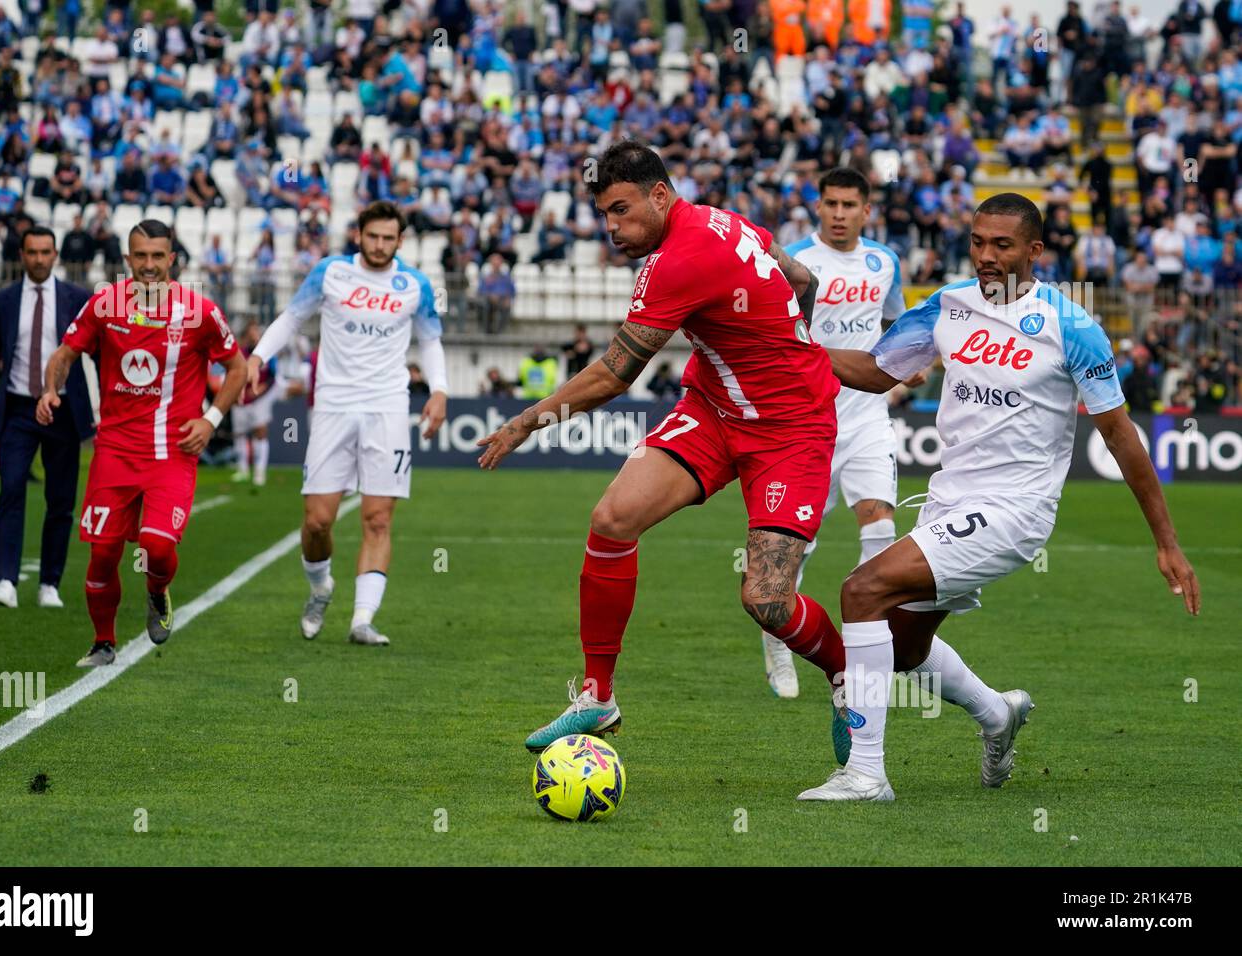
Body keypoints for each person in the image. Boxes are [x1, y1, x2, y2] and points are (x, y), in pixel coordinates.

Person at [799, 193, 1200, 802]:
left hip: (1015, 512)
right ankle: (997, 713)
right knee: (903, 651)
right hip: (948, 501)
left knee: (862, 590)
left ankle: (867, 774)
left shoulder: (1074, 326)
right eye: (979, 242)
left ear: (1034, 251)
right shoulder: (948, 305)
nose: (986, 256)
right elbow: (878, 372)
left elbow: (1121, 436)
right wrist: (793, 351)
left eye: (1002, 245)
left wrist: (1167, 544)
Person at [476, 140, 848, 757]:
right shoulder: (724, 219)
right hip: (715, 411)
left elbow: (615, 374)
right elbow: (800, 279)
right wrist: (786, 336)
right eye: (603, 215)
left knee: (767, 599)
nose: (612, 228)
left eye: (621, 211)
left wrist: (523, 424)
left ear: (659, 195)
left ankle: (845, 678)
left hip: (791, 428)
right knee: (612, 519)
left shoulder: (678, 257)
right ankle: (598, 696)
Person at [761, 167, 978, 720]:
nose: (838, 213)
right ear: (818, 206)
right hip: (806, 419)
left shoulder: (884, 262)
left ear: (866, 210)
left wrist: (908, 368)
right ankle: (779, 642)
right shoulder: (795, 262)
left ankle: (868, 648)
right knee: (795, 548)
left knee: (880, 525)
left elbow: (895, 324)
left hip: (866, 418)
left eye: (849, 204)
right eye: (830, 202)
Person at [36, 220, 247, 666]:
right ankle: (103, 641)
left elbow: (238, 368)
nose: (148, 265)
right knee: (104, 552)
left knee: (158, 546)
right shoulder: (105, 305)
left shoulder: (199, 312)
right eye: (140, 256)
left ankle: (156, 591)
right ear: (127, 259)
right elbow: (64, 354)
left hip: (173, 451)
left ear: (172, 259)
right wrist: (51, 389)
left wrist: (211, 419)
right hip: (114, 450)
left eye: (157, 256)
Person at [246, 201, 449, 647]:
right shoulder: (330, 272)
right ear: (358, 235)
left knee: (378, 519)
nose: (379, 245)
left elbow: (431, 340)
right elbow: (292, 318)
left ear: (400, 240)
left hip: (388, 408)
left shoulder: (414, 284)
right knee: (318, 520)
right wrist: (258, 357)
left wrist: (439, 389)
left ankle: (362, 619)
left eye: (388, 238)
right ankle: (320, 588)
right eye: (372, 236)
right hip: (334, 406)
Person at [0, 227, 93, 609]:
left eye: (45, 252)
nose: (39, 259)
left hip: (64, 410)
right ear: (21, 255)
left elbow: (99, 354)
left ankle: (49, 584)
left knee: (60, 500)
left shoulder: (77, 298)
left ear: (56, 255)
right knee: (11, 491)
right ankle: (4, 581)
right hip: (18, 409)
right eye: (32, 252)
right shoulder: (3, 300)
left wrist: (110, 410)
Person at [231, 320, 276, 487]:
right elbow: (232, 372)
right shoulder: (240, 353)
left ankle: (259, 471)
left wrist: (260, 390)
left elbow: (272, 377)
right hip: (241, 399)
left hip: (259, 400)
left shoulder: (266, 355)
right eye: (251, 333)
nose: (254, 336)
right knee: (240, 434)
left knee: (260, 432)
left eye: (256, 333)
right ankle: (242, 469)